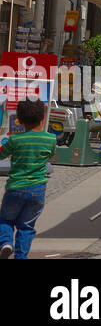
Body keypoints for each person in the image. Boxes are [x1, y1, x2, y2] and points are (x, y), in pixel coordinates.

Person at [0, 100, 58, 260]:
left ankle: (5, 243)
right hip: (37, 189)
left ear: (19, 119)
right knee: (26, 226)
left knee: (5, 219)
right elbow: (51, 155)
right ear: (43, 117)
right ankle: (21, 257)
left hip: (15, 188)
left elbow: (1, 154)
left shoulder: (15, 140)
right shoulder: (51, 139)